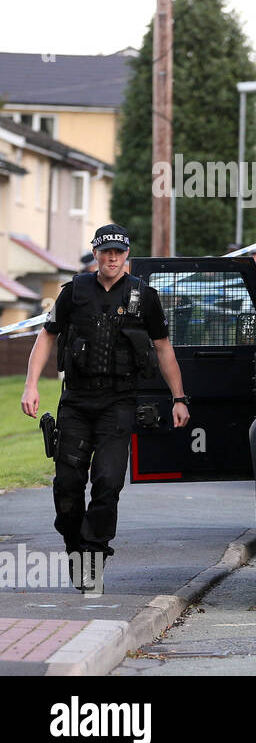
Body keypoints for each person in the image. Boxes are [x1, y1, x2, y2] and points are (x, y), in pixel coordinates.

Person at [20, 224, 190, 591]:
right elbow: (46, 336)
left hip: (118, 402)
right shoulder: (75, 292)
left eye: (118, 252)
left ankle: (93, 554)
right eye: (105, 251)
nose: (112, 258)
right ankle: (74, 546)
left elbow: (162, 348)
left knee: (107, 483)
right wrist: (31, 386)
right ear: (95, 253)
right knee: (67, 484)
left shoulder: (144, 297)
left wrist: (178, 397)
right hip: (77, 402)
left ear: (126, 254)